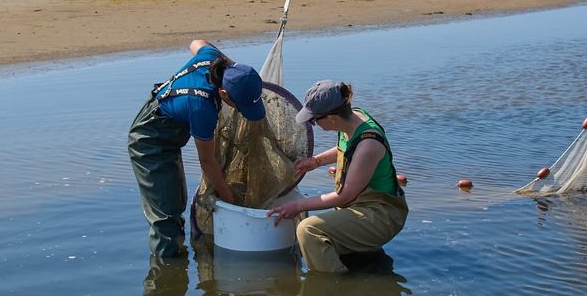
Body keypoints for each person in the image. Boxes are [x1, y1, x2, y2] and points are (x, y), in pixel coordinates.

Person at [129, 39, 266, 257]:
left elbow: (197, 43)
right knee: (167, 216)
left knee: (178, 199)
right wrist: (228, 198)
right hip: (149, 141)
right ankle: (166, 271)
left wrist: (230, 65)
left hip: (170, 126)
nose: (240, 112)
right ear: (223, 94)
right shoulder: (202, 107)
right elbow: (207, 162)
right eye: (240, 106)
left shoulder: (215, 60)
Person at [268, 80, 408, 273]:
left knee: (309, 230)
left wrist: (298, 205)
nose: (314, 124)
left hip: (382, 215)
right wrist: (316, 161)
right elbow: (348, 148)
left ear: (332, 118)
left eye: (314, 120)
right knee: (320, 224)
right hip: (360, 206)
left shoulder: (369, 145)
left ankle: (334, 289)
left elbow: (345, 196)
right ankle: (355, 257)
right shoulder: (353, 120)